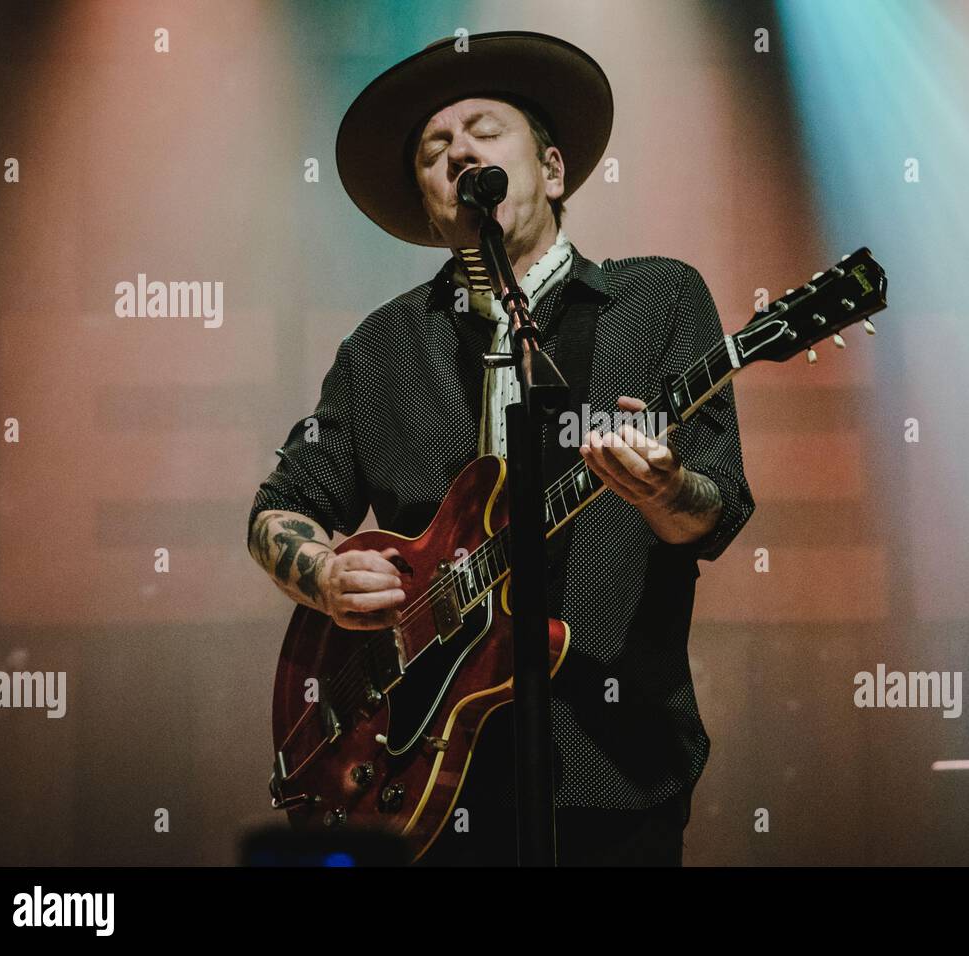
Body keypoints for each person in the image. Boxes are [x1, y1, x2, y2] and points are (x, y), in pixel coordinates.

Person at [247, 31, 754, 866]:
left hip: (610, 774)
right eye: (434, 150)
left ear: (551, 170)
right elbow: (281, 507)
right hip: (425, 782)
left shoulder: (657, 300)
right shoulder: (382, 350)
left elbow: (715, 510)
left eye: (483, 130)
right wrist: (327, 575)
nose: (458, 152)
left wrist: (665, 492)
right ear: (428, 202)